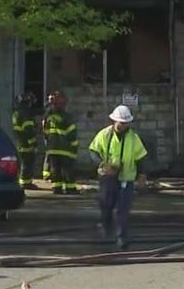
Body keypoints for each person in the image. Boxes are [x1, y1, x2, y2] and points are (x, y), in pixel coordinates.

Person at [88, 105, 148, 249]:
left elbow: (140, 158)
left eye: (125, 123)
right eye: (120, 122)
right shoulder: (104, 135)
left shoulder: (134, 138)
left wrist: (141, 175)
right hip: (107, 178)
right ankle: (104, 226)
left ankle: (121, 237)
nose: (123, 125)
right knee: (106, 205)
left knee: (123, 209)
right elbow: (93, 151)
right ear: (114, 121)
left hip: (126, 179)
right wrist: (103, 165)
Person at [42, 90, 79, 195]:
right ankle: (70, 189)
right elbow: (72, 133)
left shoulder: (48, 117)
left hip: (52, 149)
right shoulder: (66, 117)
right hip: (66, 149)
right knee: (68, 170)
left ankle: (57, 189)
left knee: (55, 170)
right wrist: (74, 147)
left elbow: (45, 132)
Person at [11, 91, 40, 190]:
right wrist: (33, 143)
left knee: (24, 163)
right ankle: (25, 183)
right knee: (27, 163)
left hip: (19, 142)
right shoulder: (25, 114)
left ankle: (24, 181)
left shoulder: (17, 113)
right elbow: (29, 130)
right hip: (26, 144)